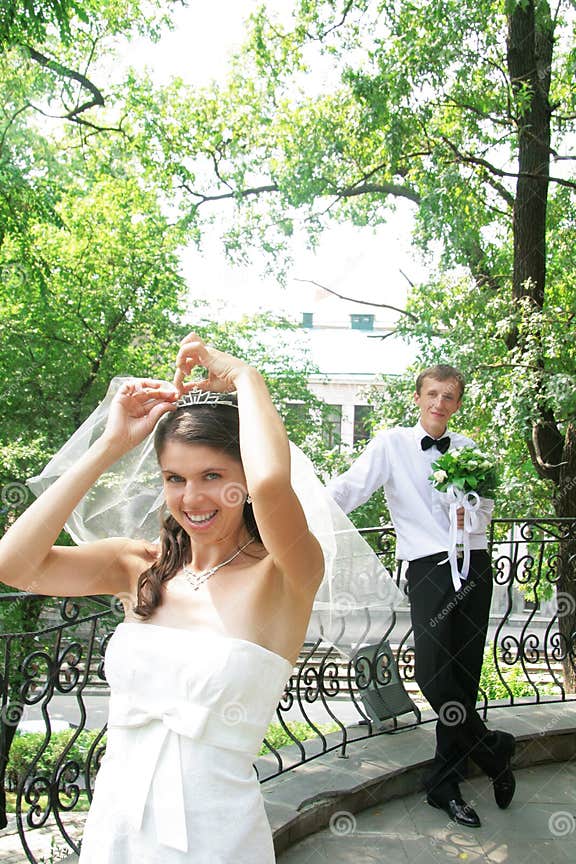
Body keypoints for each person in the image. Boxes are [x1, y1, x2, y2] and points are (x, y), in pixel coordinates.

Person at [0, 334, 324, 863]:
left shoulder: (285, 575)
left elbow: (271, 485)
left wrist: (247, 379)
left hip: (216, 840)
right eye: (175, 478)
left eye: (213, 477)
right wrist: (108, 447)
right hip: (116, 829)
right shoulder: (138, 566)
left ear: (243, 484)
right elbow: (14, 565)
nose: (192, 498)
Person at [326, 364, 515, 828]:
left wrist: (463, 510)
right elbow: (350, 488)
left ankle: (444, 783)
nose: (439, 403)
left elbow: (484, 515)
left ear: (457, 403)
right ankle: (490, 749)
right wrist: (300, 511)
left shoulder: (469, 450)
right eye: (432, 394)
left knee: (464, 673)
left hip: (474, 565)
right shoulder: (390, 444)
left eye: (449, 397)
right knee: (433, 673)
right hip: (430, 569)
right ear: (418, 397)